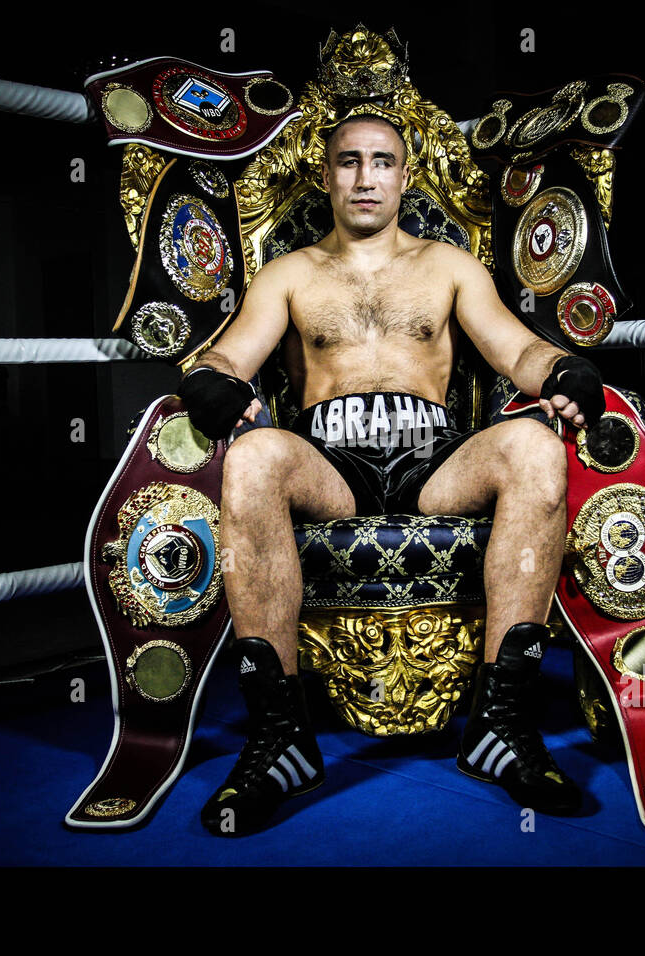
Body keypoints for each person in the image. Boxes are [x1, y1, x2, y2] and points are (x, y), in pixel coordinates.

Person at [179, 113, 606, 836]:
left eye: (382, 162)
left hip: (435, 462)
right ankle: (278, 738)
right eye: (349, 162)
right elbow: (228, 356)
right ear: (327, 176)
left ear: (405, 177)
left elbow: (514, 348)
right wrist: (210, 382)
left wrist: (563, 368)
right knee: (252, 456)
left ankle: (503, 725)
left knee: (535, 449)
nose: (365, 177)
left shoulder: (449, 266)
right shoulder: (288, 275)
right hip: (331, 468)